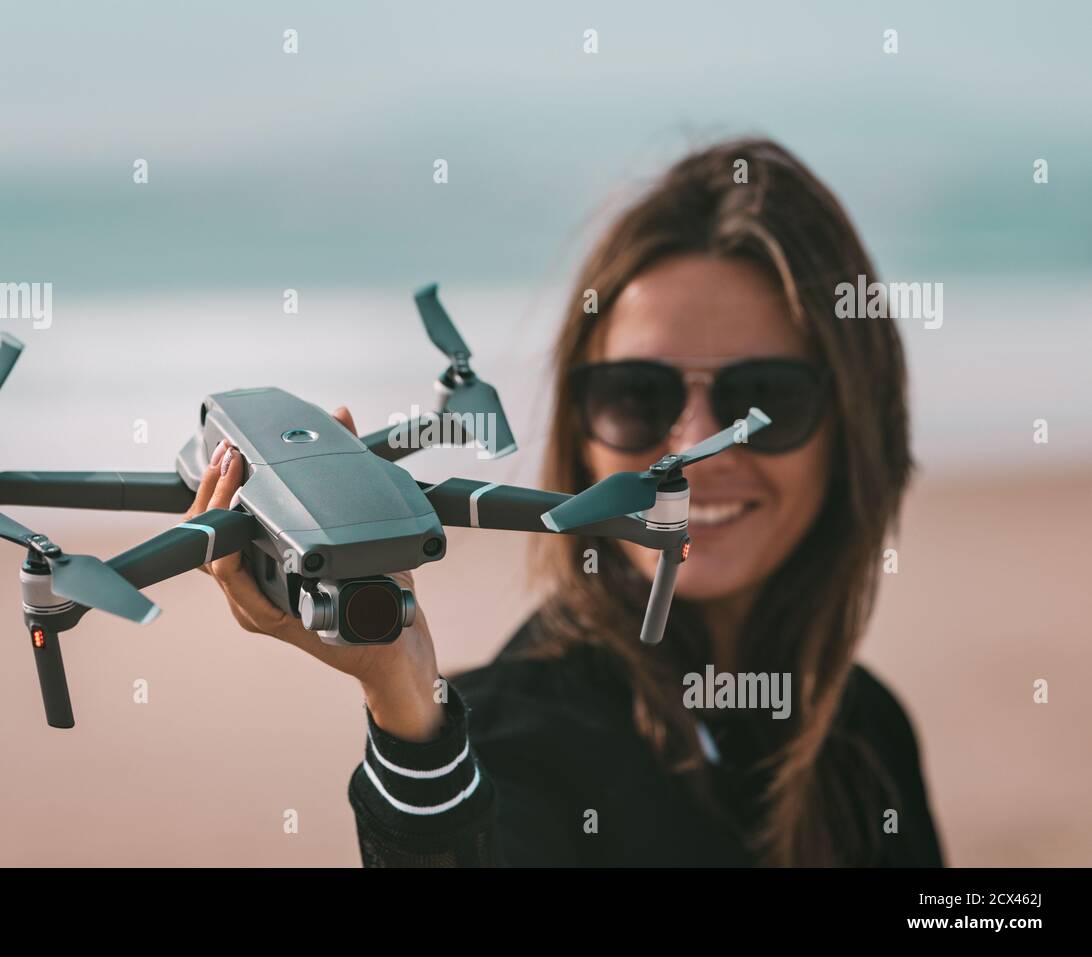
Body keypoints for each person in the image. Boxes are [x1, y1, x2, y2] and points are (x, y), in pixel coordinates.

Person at [184, 137, 944, 867]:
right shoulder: (507, 735)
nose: (698, 447)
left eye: (767, 398)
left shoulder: (865, 731)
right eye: (638, 396)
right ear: (580, 432)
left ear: (855, 424)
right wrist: (407, 705)